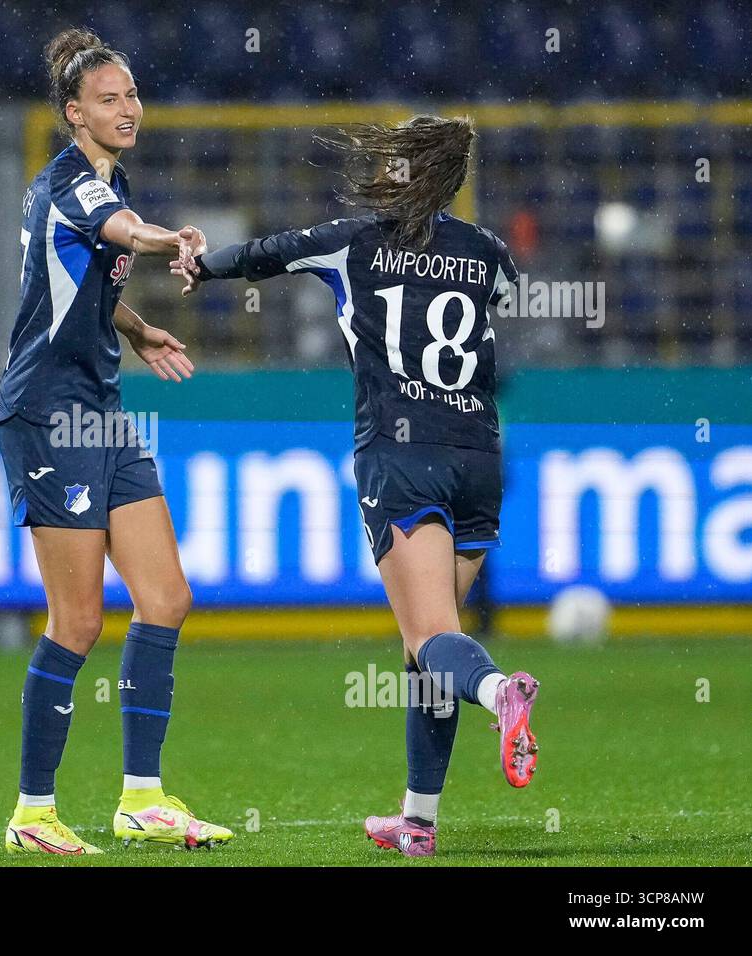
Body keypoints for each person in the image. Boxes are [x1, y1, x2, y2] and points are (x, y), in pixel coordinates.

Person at [174, 115, 539, 858]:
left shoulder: (355, 240)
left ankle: (502, 692)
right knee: (427, 647)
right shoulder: (488, 252)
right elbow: (504, 298)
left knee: (433, 637)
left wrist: (201, 266)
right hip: (478, 454)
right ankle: (418, 817)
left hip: (401, 455)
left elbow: (267, 256)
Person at [0, 27, 233, 854]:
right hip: (46, 414)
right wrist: (176, 241)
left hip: (101, 411)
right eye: (108, 99)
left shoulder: (105, 179)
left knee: (166, 597)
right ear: (73, 113)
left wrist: (132, 327)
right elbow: (125, 233)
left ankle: (142, 798)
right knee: (78, 621)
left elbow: (74, 278)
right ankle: (33, 811)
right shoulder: (73, 184)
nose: (128, 108)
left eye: (131, 95)